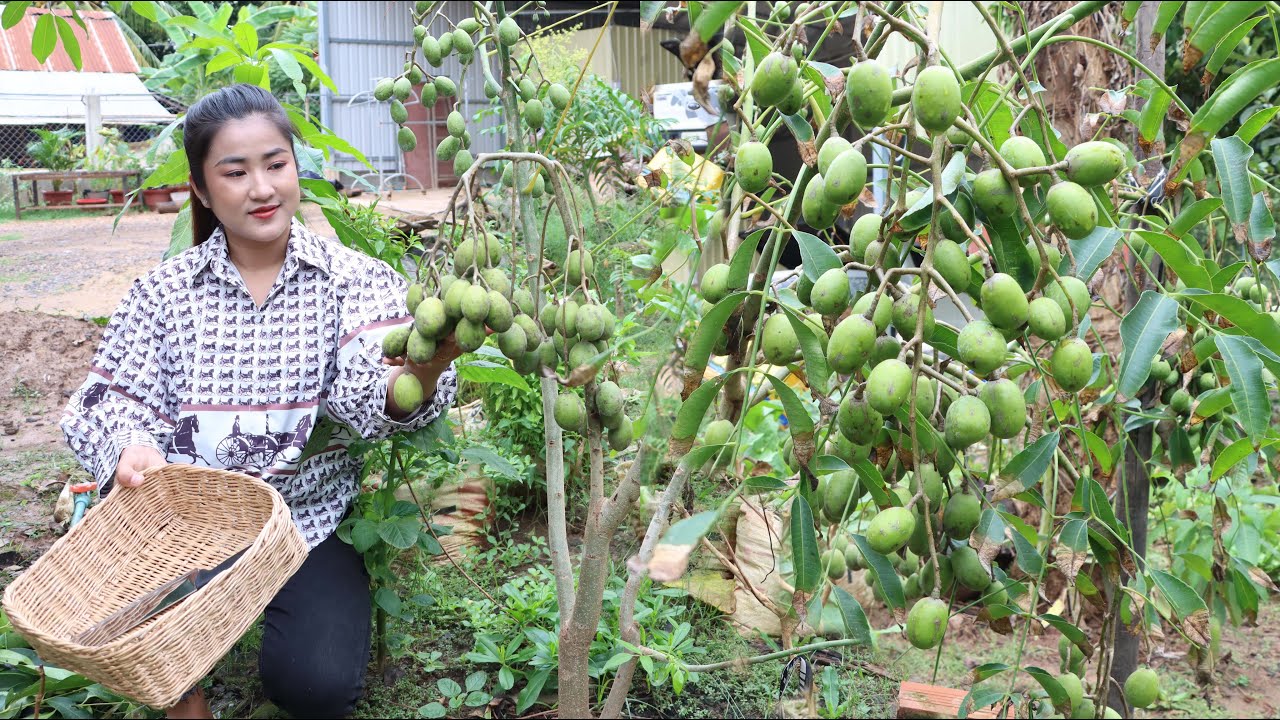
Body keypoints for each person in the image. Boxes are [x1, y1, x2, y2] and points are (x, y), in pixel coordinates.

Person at [59, 83, 460, 719]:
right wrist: (130, 446)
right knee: (101, 616)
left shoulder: (351, 279)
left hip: (303, 523)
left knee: (315, 687)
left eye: (276, 164)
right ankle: (182, 695)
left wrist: (425, 370)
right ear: (200, 188)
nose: (262, 188)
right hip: (184, 527)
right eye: (235, 172)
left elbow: (366, 388)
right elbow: (106, 400)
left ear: (296, 167)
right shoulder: (164, 294)